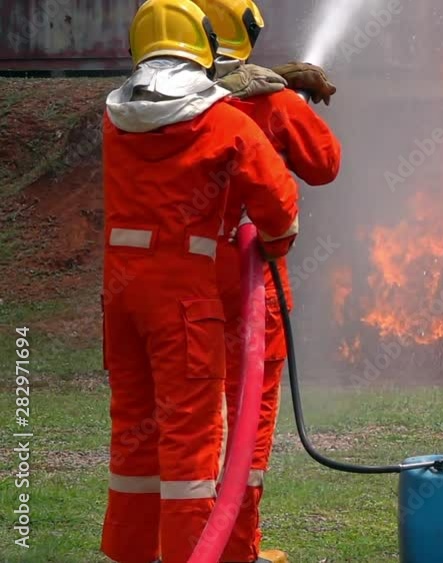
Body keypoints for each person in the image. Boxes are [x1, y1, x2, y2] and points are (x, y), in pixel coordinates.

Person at [100, 1, 302, 562]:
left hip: (122, 301)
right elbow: (279, 203)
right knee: (190, 445)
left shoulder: (115, 117)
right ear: (206, 49)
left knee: (135, 437)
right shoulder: (224, 121)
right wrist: (275, 242)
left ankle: (131, 554)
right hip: (184, 305)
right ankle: (198, 555)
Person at [190, 1, 341, 561]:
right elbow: (325, 164)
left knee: (193, 430)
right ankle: (238, 552)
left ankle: (186, 542)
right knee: (248, 430)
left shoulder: (167, 105)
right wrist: (290, 103)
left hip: (187, 292)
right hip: (254, 296)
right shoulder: (271, 103)